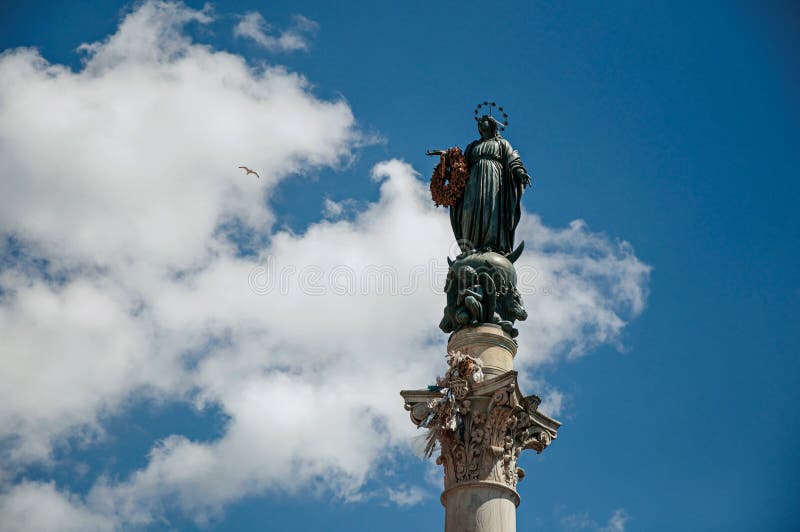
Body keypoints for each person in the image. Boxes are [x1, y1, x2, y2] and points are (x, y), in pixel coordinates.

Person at [450, 115, 532, 254]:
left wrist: (520, 172)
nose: (480, 123)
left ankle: (491, 244)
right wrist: (447, 156)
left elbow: (513, 159)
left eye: (484, 120)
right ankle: (470, 245)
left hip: (494, 179)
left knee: (491, 208)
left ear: (492, 124)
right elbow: (461, 165)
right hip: (473, 181)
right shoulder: (473, 146)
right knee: (468, 209)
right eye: (479, 122)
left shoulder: (502, 143)